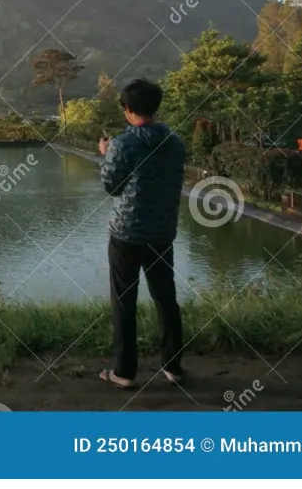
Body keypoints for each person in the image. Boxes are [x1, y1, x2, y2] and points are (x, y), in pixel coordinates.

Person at [96, 78, 186, 389]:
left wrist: (107, 153)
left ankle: (124, 372)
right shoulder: (175, 143)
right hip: (162, 232)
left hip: (126, 234)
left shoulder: (122, 144)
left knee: (124, 301)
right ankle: (174, 367)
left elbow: (112, 186)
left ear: (128, 109)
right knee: (166, 298)